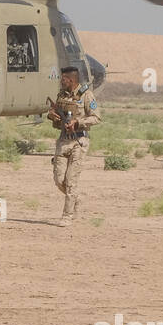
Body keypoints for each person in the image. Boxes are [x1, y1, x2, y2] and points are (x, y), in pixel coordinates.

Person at [46, 67, 101, 227]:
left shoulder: (86, 95)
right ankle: (74, 198)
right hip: (63, 141)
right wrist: (52, 115)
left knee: (71, 181)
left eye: (63, 79)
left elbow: (96, 117)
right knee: (58, 179)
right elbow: (54, 111)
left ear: (71, 80)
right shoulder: (61, 95)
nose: (60, 82)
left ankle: (67, 215)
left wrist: (78, 123)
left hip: (79, 142)